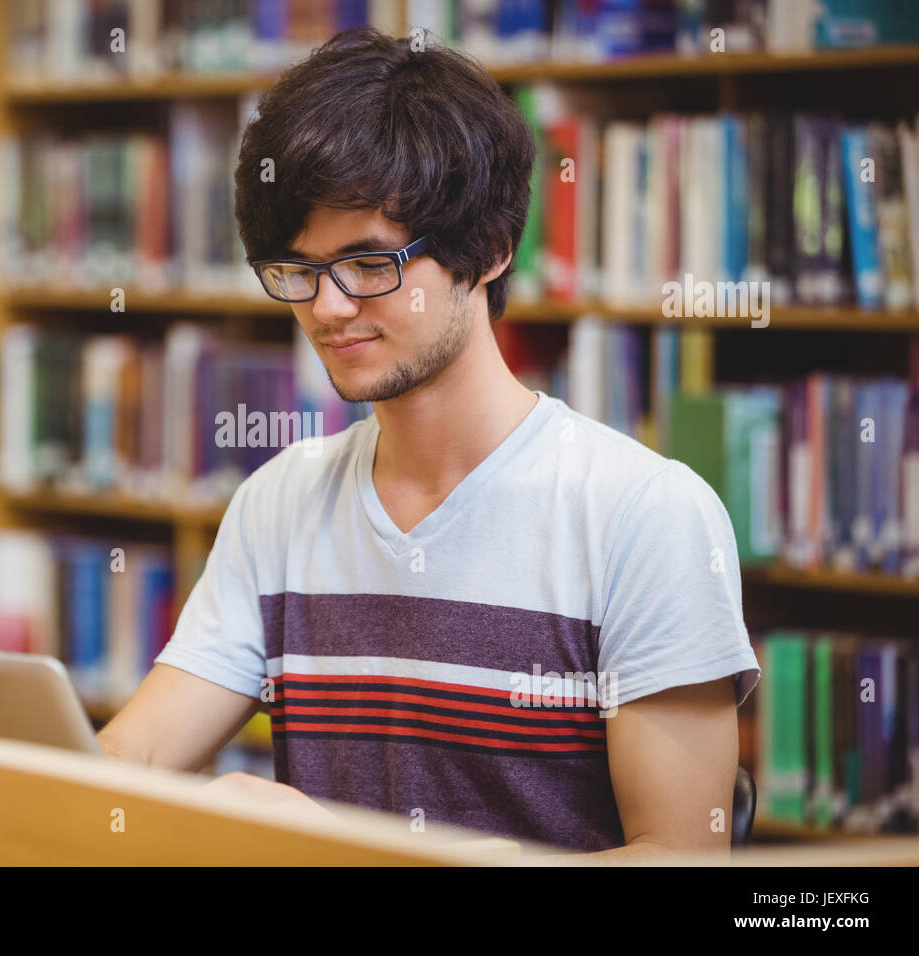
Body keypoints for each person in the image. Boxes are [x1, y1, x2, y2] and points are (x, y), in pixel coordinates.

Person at [98, 26, 759, 859]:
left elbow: (681, 859)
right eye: (297, 271)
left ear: (486, 250)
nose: (327, 309)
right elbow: (133, 758)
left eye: (370, 264)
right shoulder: (279, 502)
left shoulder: (644, 515)